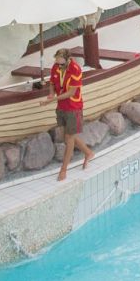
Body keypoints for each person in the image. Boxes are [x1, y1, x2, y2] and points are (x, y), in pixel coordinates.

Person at [49, 46, 93, 182]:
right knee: (66, 137)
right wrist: (51, 93)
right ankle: (88, 153)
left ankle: (63, 170)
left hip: (73, 108)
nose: (57, 62)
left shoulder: (75, 69)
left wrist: (54, 99)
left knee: (69, 138)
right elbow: (51, 82)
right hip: (61, 107)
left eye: (59, 59)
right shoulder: (56, 67)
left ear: (67, 59)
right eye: (56, 59)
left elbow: (71, 93)